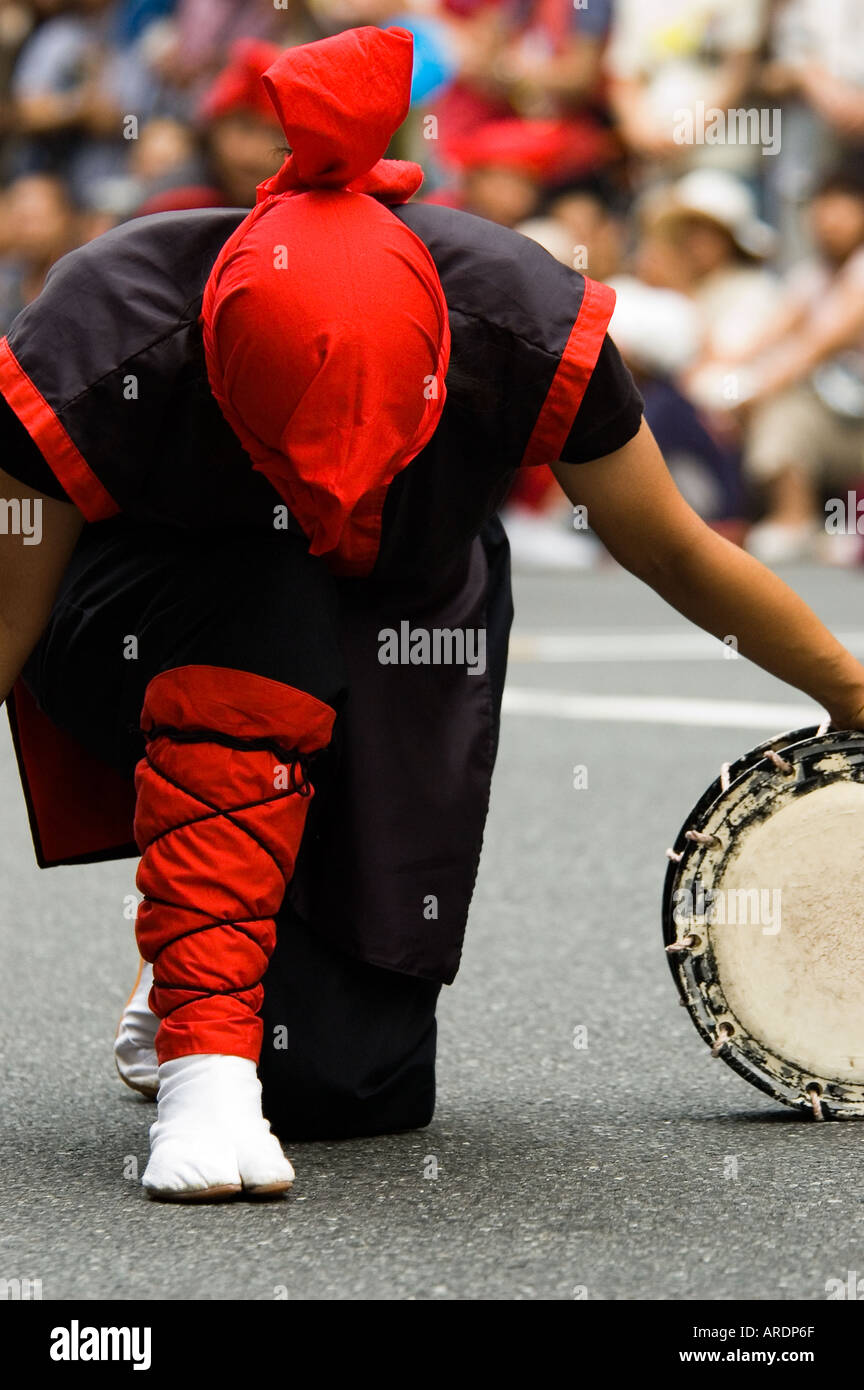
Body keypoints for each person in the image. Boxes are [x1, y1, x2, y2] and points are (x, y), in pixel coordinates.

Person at [4, 26, 864, 1205]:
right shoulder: (104, 330)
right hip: (147, 632)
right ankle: (201, 1021)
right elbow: (4, 630)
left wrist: (853, 691)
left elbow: (672, 547)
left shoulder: (520, 319)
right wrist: (213, 1070)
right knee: (272, 575)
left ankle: (224, 928)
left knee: (347, 1091)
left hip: (407, 624)